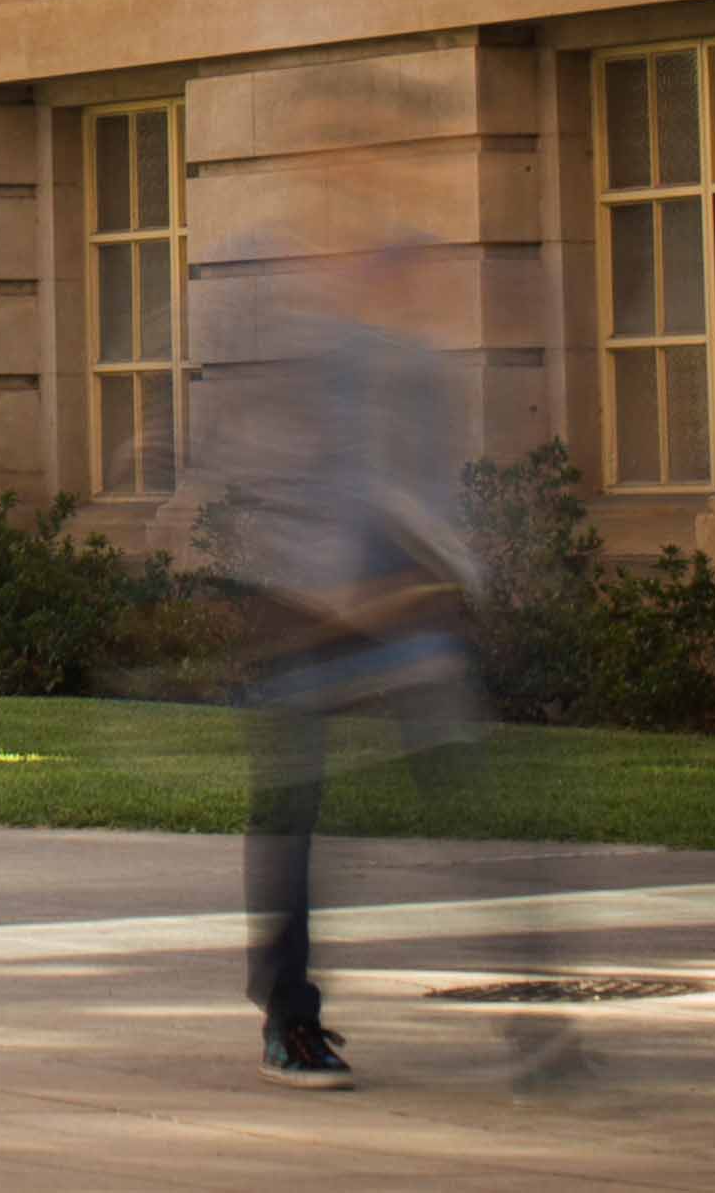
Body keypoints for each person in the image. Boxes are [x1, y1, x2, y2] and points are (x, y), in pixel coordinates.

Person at [213, 155, 572, 1097]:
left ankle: (532, 1013)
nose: (417, 287)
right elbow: (256, 469)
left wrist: (438, 583)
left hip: (404, 617)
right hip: (303, 616)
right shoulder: (294, 340)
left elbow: (431, 495)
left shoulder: (417, 369)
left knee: (472, 806)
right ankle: (288, 1016)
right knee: (294, 816)